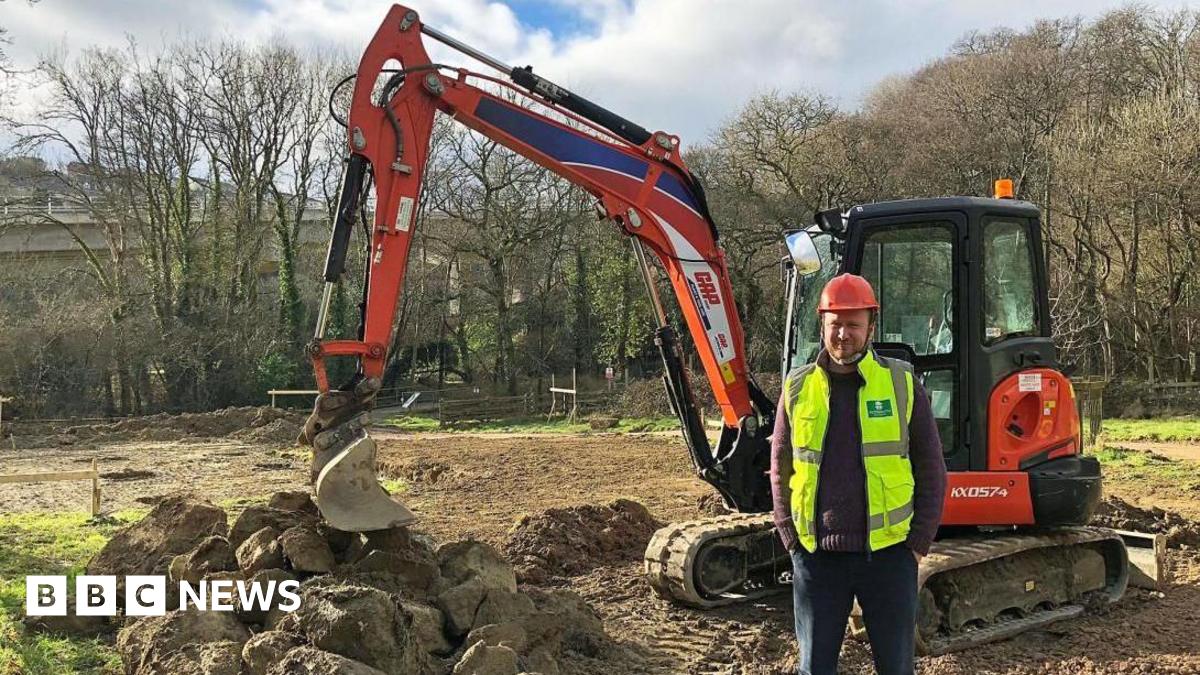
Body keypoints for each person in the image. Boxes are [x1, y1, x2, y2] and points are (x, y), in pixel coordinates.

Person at [771, 273, 947, 675]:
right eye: (835, 324)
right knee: (815, 668)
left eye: (853, 324)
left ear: (871, 325)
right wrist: (788, 534)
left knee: (896, 668)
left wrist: (919, 541)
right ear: (822, 325)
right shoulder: (797, 388)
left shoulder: (901, 383)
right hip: (817, 560)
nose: (843, 334)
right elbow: (780, 465)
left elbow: (932, 467)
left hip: (888, 557)